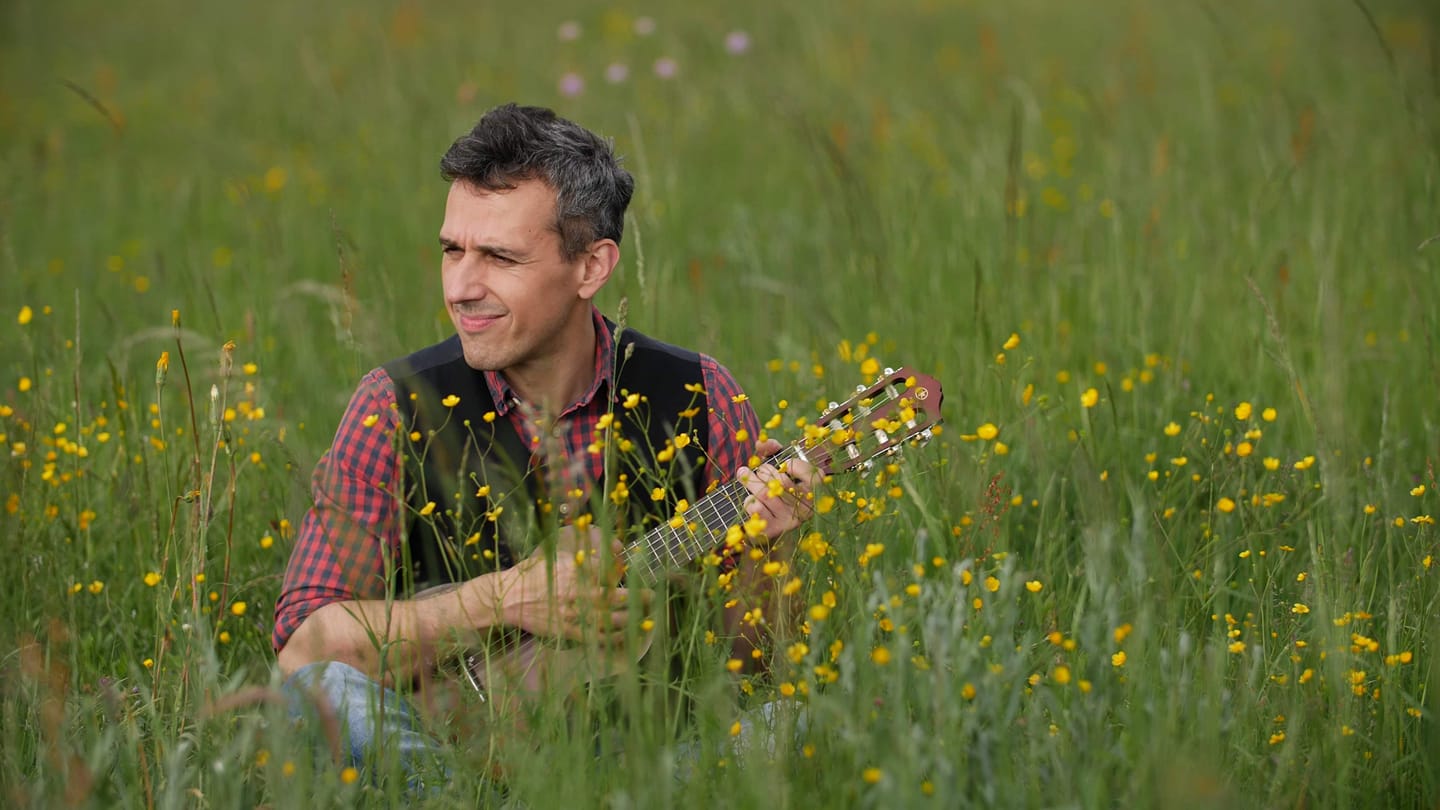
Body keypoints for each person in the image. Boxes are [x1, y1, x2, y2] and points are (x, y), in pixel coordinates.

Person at [273, 103, 814, 789]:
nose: (461, 287)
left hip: (640, 760)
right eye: (452, 250)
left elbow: (752, 673)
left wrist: (774, 550)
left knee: (796, 721)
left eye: (499, 257)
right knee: (320, 693)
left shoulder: (698, 395)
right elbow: (305, 649)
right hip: (434, 749)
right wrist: (502, 601)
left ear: (591, 267)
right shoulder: (395, 405)